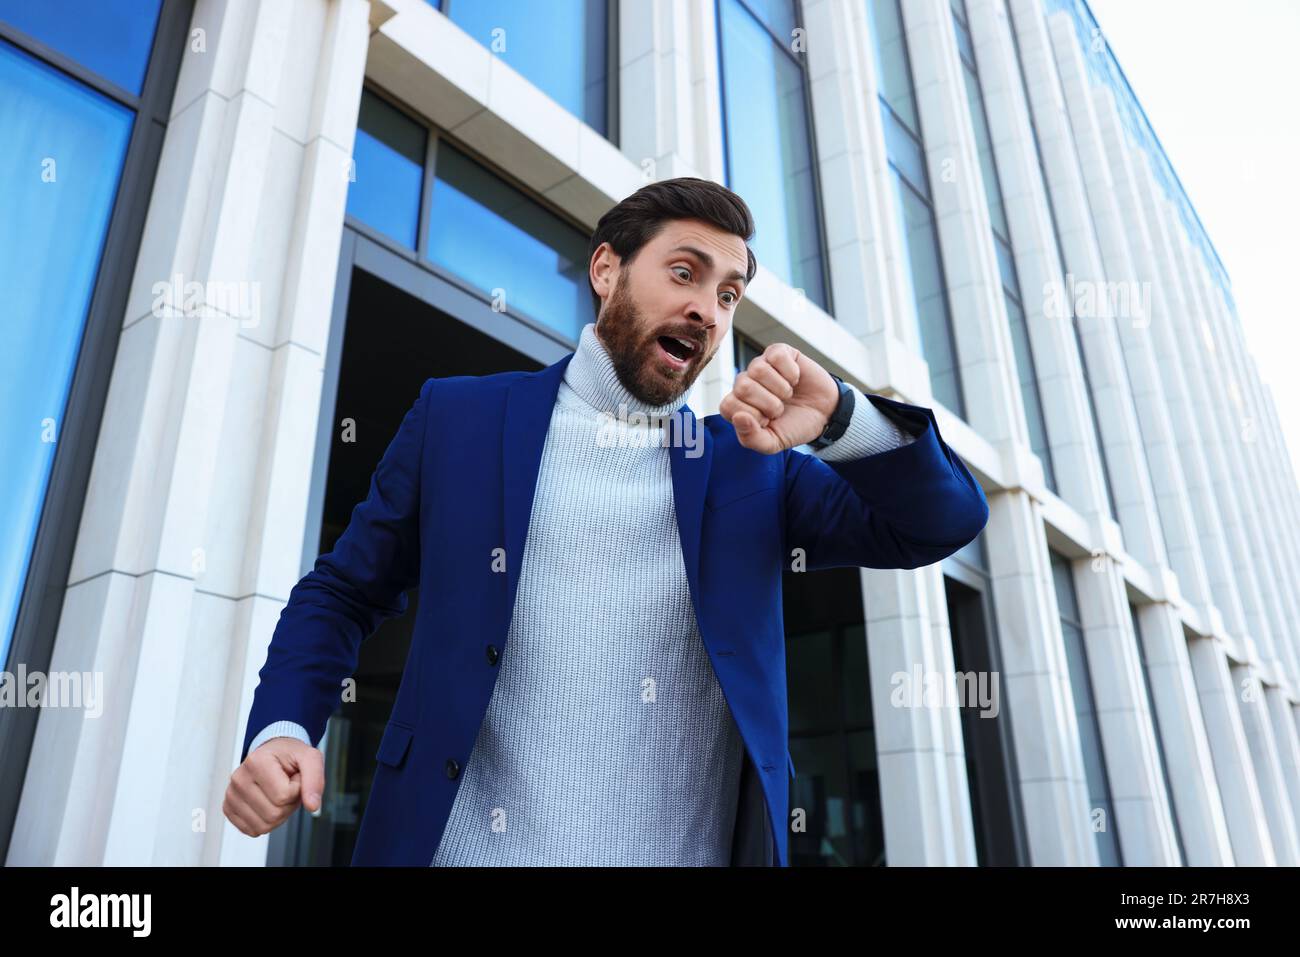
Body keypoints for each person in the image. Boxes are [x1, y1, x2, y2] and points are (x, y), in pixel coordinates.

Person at [223, 176, 988, 866]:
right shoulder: (459, 419)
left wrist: (843, 420)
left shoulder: (751, 467)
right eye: (685, 272)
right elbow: (343, 592)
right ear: (606, 270)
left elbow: (939, 523)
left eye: (727, 295)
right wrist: (283, 728)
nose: (707, 309)